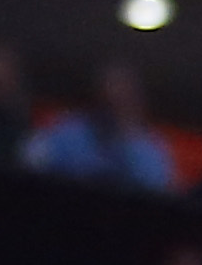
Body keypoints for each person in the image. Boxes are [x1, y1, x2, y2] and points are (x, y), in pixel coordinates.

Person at [24, 61, 178, 191]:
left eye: (124, 94)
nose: (116, 100)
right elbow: (32, 165)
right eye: (111, 91)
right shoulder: (66, 131)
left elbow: (159, 189)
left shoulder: (151, 149)